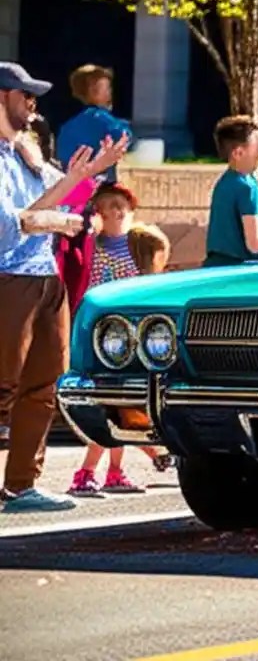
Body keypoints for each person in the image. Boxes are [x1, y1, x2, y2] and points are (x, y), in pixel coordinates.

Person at [1, 61, 128, 513]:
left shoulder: (27, 154)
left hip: (44, 280)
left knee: (43, 385)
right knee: (2, 386)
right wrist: (61, 220)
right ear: (2, 98)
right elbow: (12, 224)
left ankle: (20, 486)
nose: (32, 104)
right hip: (8, 281)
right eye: (24, 95)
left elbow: (62, 199)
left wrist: (88, 173)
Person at [67, 184, 171, 496]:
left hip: (131, 334)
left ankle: (113, 471)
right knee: (111, 406)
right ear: (98, 212)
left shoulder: (138, 243)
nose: (117, 211)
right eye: (109, 205)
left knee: (122, 405)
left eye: (123, 204)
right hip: (103, 334)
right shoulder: (92, 246)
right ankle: (88, 472)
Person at [203, 115, 258, 268]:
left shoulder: (225, 182)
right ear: (238, 153)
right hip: (239, 272)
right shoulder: (247, 187)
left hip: (214, 268)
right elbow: (255, 243)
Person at [56, 64, 132, 184]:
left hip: (72, 186)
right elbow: (125, 137)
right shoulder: (102, 119)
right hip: (100, 186)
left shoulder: (67, 126)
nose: (110, 93)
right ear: (93, 90)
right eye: (106, 88)